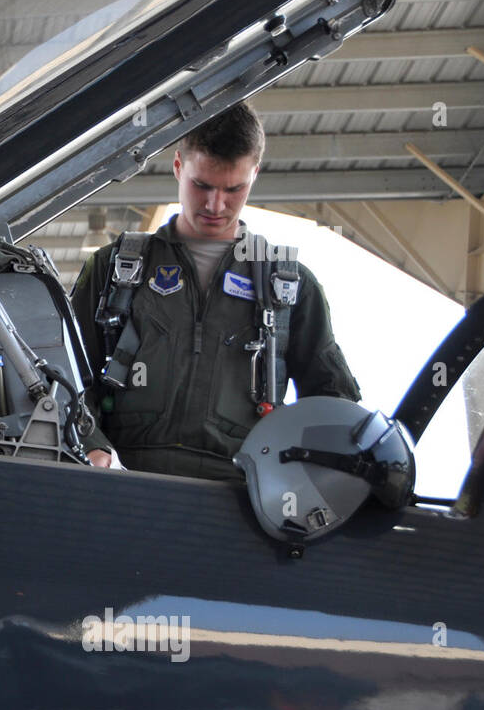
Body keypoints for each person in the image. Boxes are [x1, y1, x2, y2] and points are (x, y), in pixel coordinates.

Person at [70, 103, 360, 480]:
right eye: (201, 185)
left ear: (254, 174)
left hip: (237, 497)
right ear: (178, 166)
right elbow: (67, 373)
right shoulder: (113, 270)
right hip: (122, 482)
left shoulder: (290, 289)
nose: (215, 205)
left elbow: (335, 403)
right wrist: (91, 443)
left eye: (233, 189)